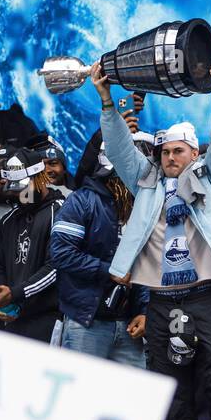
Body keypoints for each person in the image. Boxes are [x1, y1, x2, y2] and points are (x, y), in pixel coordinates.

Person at [91, 56, 211, 420]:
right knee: (171, 394)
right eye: (163, 151)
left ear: (194, 151)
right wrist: (107, 102)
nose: (168, 157)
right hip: (161, 304)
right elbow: (120, 148)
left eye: (177, 150)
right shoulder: (144, 183)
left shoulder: (209, 178)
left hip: (204, 299)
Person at [52, 145, 145, 367]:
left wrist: (144, 311)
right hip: (86, 322)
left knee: (133, 399)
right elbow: (60, 253)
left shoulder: (141, 206)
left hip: (129, 324)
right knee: (80, 397)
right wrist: (109, 271)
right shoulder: (81, 201)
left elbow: (147, 263)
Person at [0, 148, 66, 341]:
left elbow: (56, 268)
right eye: (14, 189)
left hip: (48, 318)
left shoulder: (60, 212)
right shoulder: (7, 221)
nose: (19, 193)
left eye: (23, 187)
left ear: (40, 177)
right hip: (14, 319)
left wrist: (14, 294)